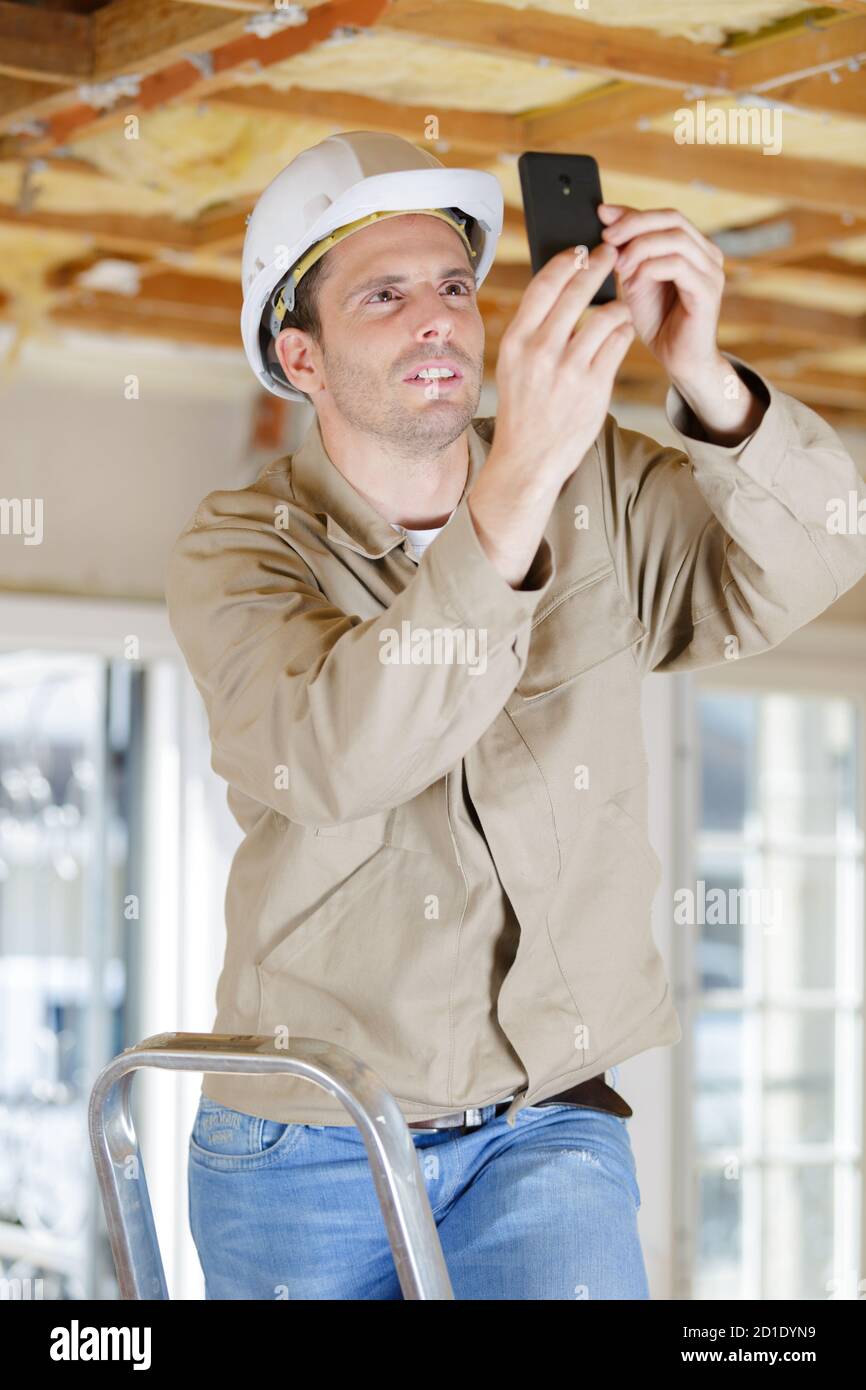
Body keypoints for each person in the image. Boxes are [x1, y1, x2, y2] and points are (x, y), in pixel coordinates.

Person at [165, 131, 866, 1300]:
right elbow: (337, 758)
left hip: (545, 1128)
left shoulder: (597, 484)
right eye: (382, 296)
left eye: (451, 286)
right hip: (310, 1142)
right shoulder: (240, 550)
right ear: (301, 356)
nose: (436, 317)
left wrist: (707, 378)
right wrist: (516, 481)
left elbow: (827, 550)